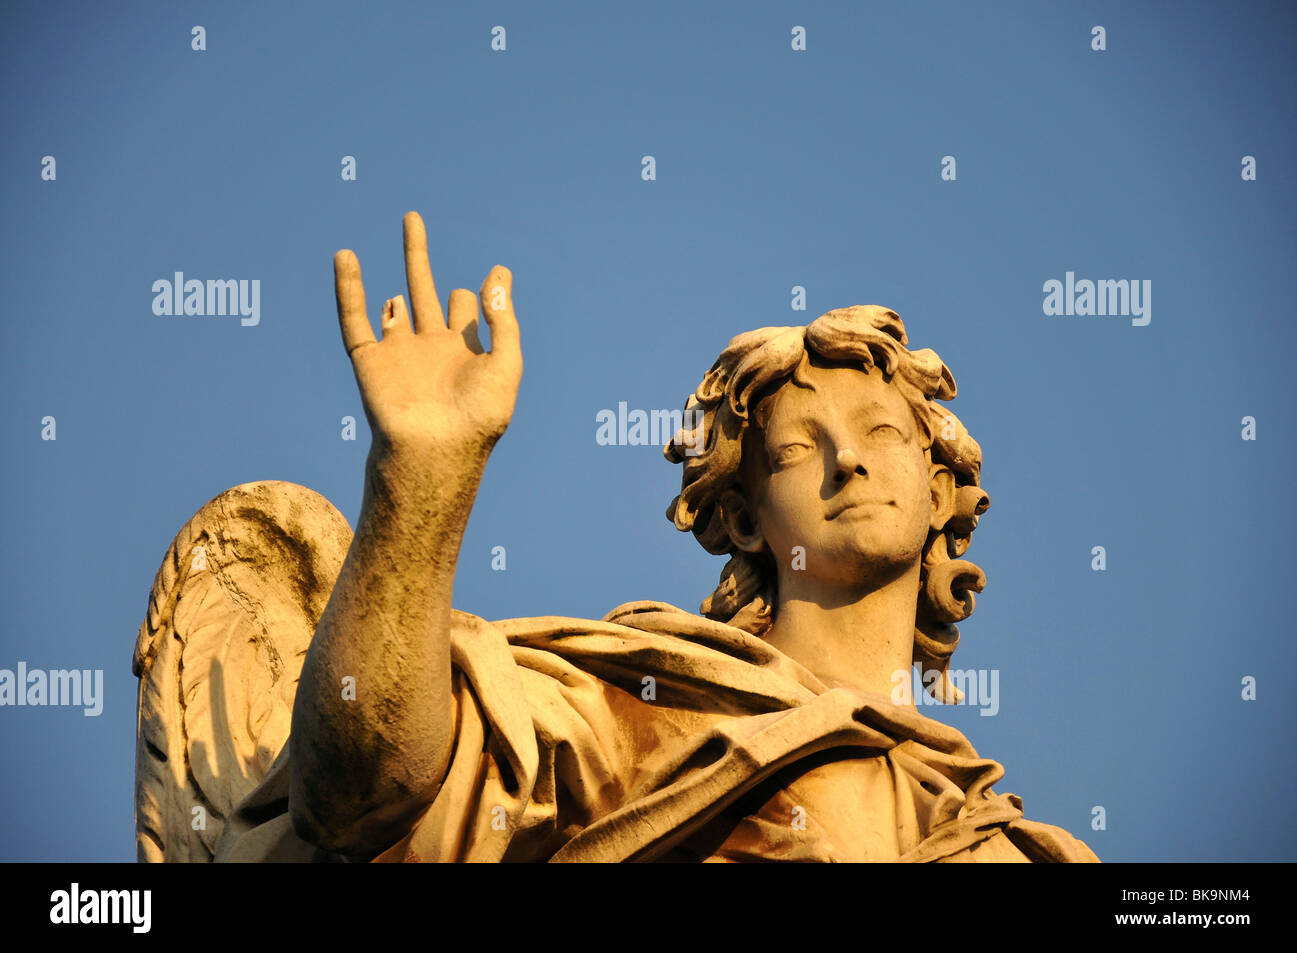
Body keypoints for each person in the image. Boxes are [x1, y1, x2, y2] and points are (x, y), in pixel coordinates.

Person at [134, 211, 1098, 863]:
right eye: (799, 447)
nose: (848, 460)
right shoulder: (654, 703)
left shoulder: (1011, 844)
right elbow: (361, 798)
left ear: (941, 490)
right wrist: (423, 480)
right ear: (743, 516)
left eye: (882, 430)